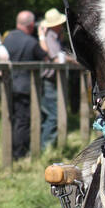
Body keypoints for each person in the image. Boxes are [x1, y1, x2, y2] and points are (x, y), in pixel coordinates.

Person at [4, 11, 48, 160]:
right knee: (23, 121)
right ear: (30, 25)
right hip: (24, 87)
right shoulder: (31, 42)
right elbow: (46, 56)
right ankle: (19, 154)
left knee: (11, 118)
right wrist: (41, 36)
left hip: (7, 85)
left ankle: (10, 150)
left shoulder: (7, 38)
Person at [37, 8, 71, 148]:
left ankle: (46, 146)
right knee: (54, 115)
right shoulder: (50, 37)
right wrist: (74, 60)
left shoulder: (54, 37)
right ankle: (46, 147)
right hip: (49, 81)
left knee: (51, 114)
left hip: (51, 81)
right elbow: (57, 58)